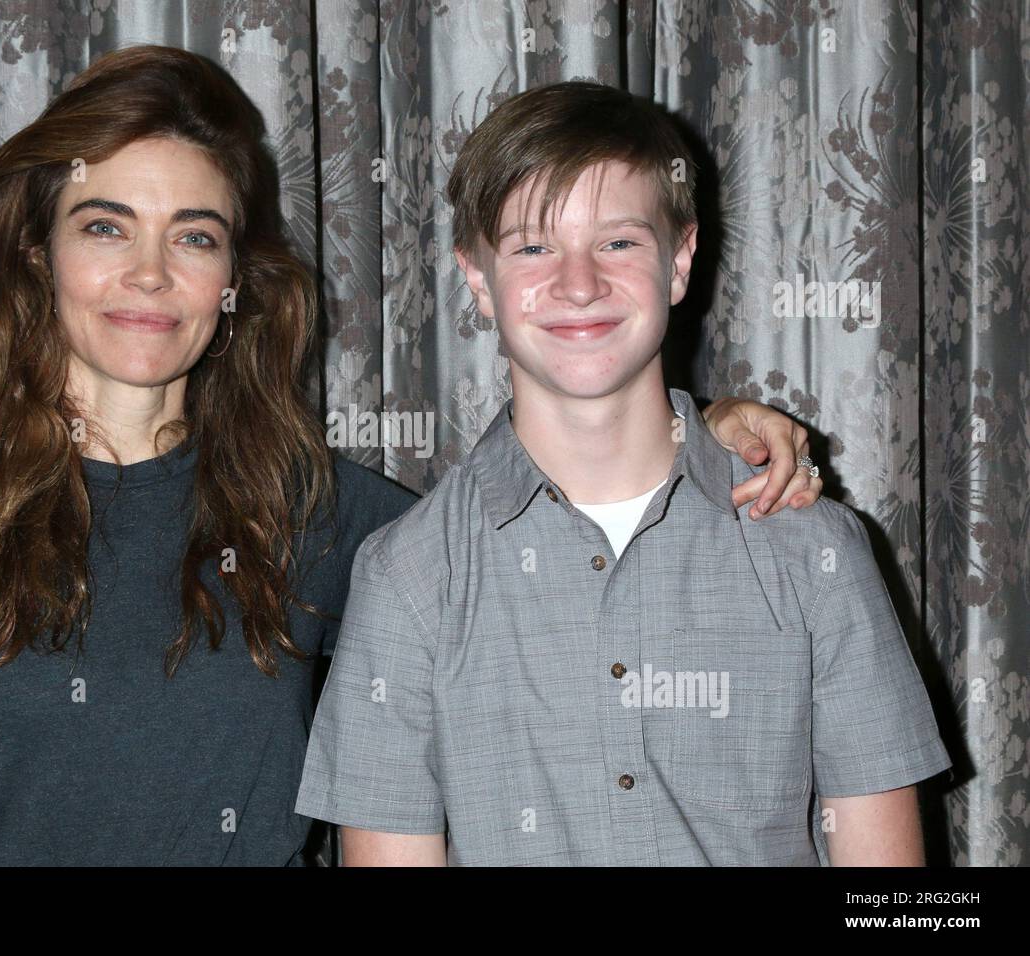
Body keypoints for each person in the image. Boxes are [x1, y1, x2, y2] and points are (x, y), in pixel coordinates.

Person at [0, 50, 823, 866]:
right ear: (36, 252)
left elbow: (555, 498)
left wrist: (704, 419)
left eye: (193, 235)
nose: (149, 273)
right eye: (106, 226)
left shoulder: (321, 512)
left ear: (235, 273)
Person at [295, 81, 950, 866]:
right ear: (477, 279)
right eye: (534, 247)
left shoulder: (816, 549)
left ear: (678, 262)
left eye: (618, 243)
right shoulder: (405, 578)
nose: (579, 284)